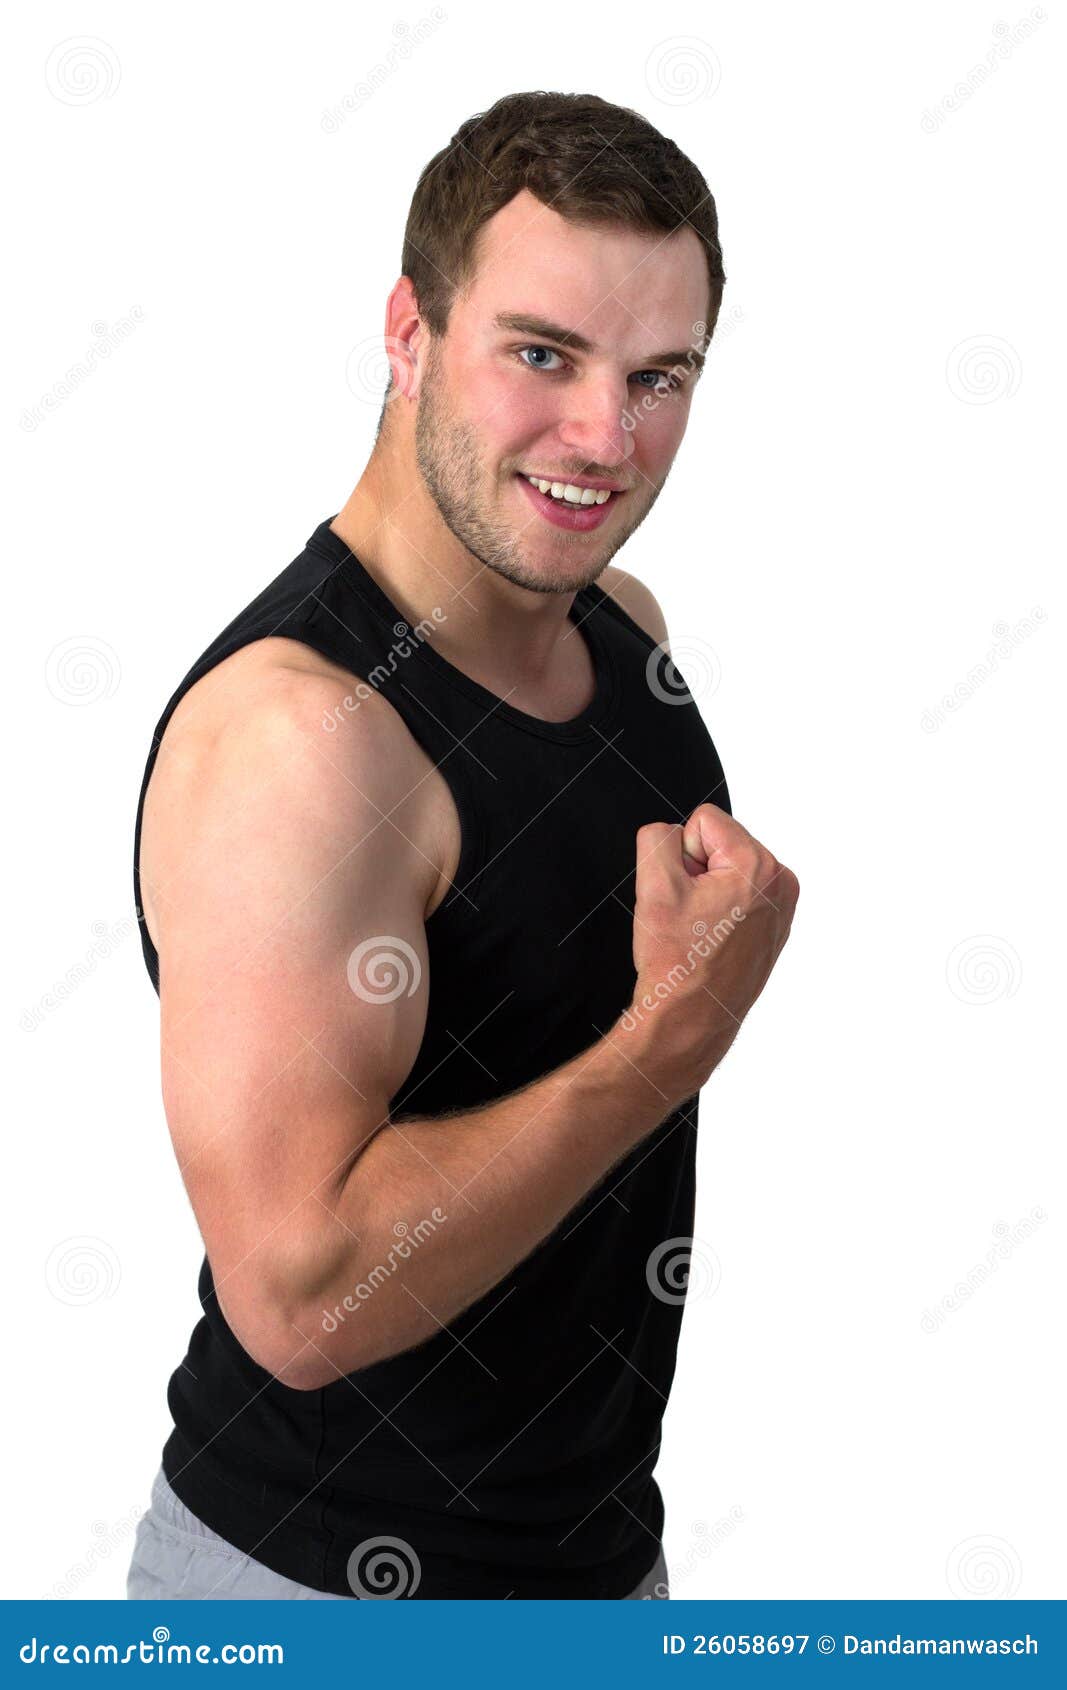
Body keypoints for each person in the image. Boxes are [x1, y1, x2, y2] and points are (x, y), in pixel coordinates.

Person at [126, 89, 799, 1602]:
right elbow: (299, 1297)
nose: (604, 438)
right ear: (409, 333)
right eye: (542, 355)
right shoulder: (303, 740)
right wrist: (669, 1039)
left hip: (600, 1567)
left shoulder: (620, 629)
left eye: (659, 376)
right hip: (321, 1597)